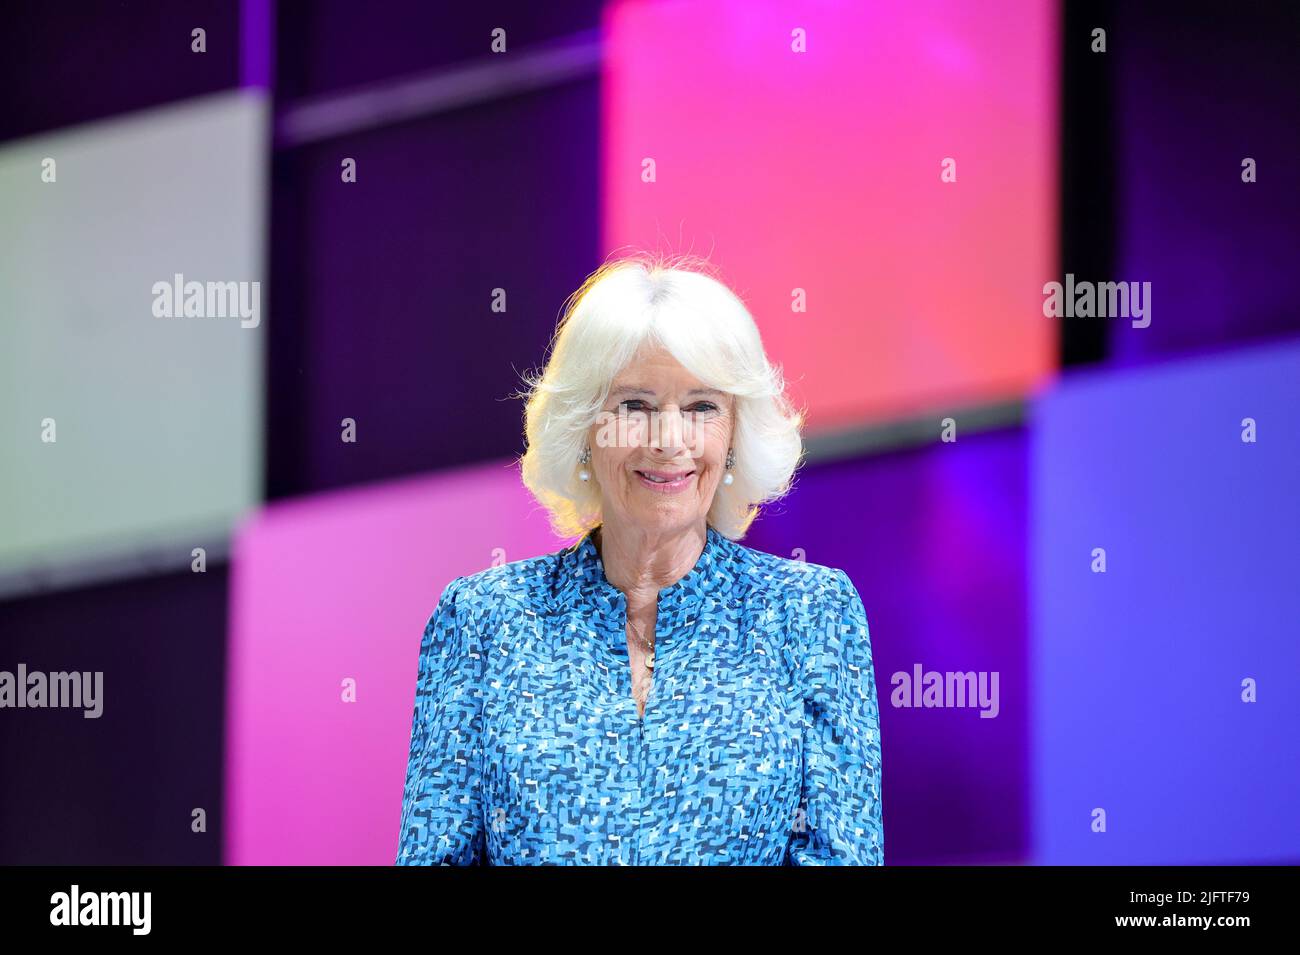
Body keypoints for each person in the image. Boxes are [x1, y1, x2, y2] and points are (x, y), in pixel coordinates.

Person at [396, 253, 883, 864]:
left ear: (734, 438)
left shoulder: (811, 614)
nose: (668, 440)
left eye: (702, 407)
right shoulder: (481, 621)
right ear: (584, 429)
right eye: (635, 406)